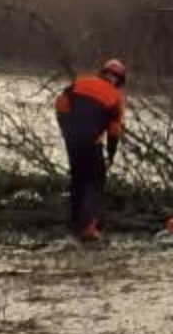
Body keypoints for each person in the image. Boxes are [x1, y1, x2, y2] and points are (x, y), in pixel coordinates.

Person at [54, 59, 128, 243]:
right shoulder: (115, 97)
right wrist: (111, 154)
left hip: (72, 139)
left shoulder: (80, 82)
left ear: (102, 72)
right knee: (95, 182)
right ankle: (88, 227)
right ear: (119, 80)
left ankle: (74, 225)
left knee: (78, 180)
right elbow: (114, 130)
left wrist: (66, 129)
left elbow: (61, 103)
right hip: (92, 142)